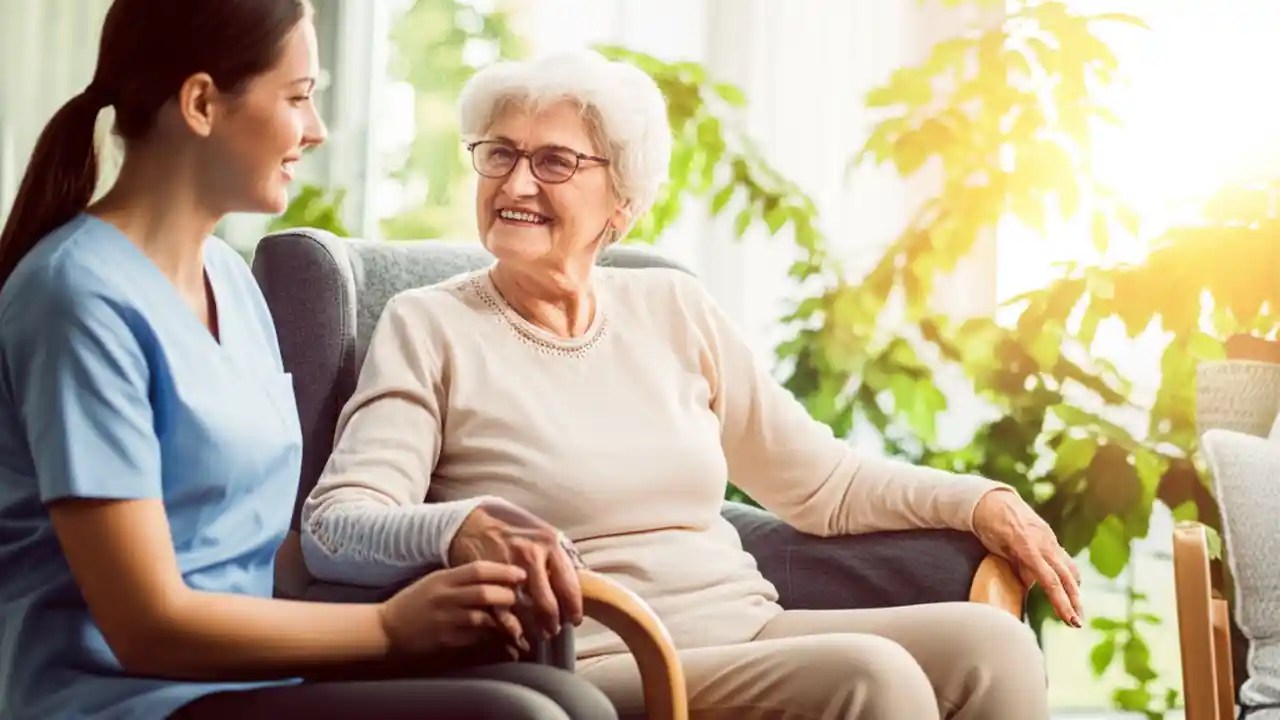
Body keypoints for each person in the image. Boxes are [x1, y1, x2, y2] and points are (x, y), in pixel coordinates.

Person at [300, 49, 1084, 719]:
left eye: (555, 161)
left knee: (993, 647)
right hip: (604, 654)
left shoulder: (671, 306)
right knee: (871, 679)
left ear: (623, 204)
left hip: (746, 626)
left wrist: (979, 500)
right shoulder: (429, 325)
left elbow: (822, 484)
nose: (516, 181)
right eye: (499, 153)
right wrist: (457, 525)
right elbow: (336, 526)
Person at [0, 3, 618, 719]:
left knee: (567, 698)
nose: (317, 130)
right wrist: (388, 627)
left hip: (249, 682)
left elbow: (274, 552)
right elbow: (147, 626)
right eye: (298, 97)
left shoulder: (229, 281)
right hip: (124, 699)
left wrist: (449, 541)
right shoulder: (77, 298)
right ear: (201, 103)